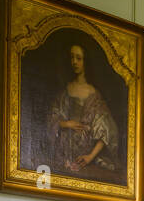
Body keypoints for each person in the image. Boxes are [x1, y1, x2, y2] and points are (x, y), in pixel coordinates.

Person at [48, 43, 119, 178]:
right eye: (72, 57)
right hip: (63, 152)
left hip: (85, 155)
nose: (74, 62)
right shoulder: (65, 90)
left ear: (86, 61)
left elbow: (108, 129)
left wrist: (90, 156)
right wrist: (67, 124)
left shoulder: (94, 94)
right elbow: (52, 118)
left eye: (78, 58)